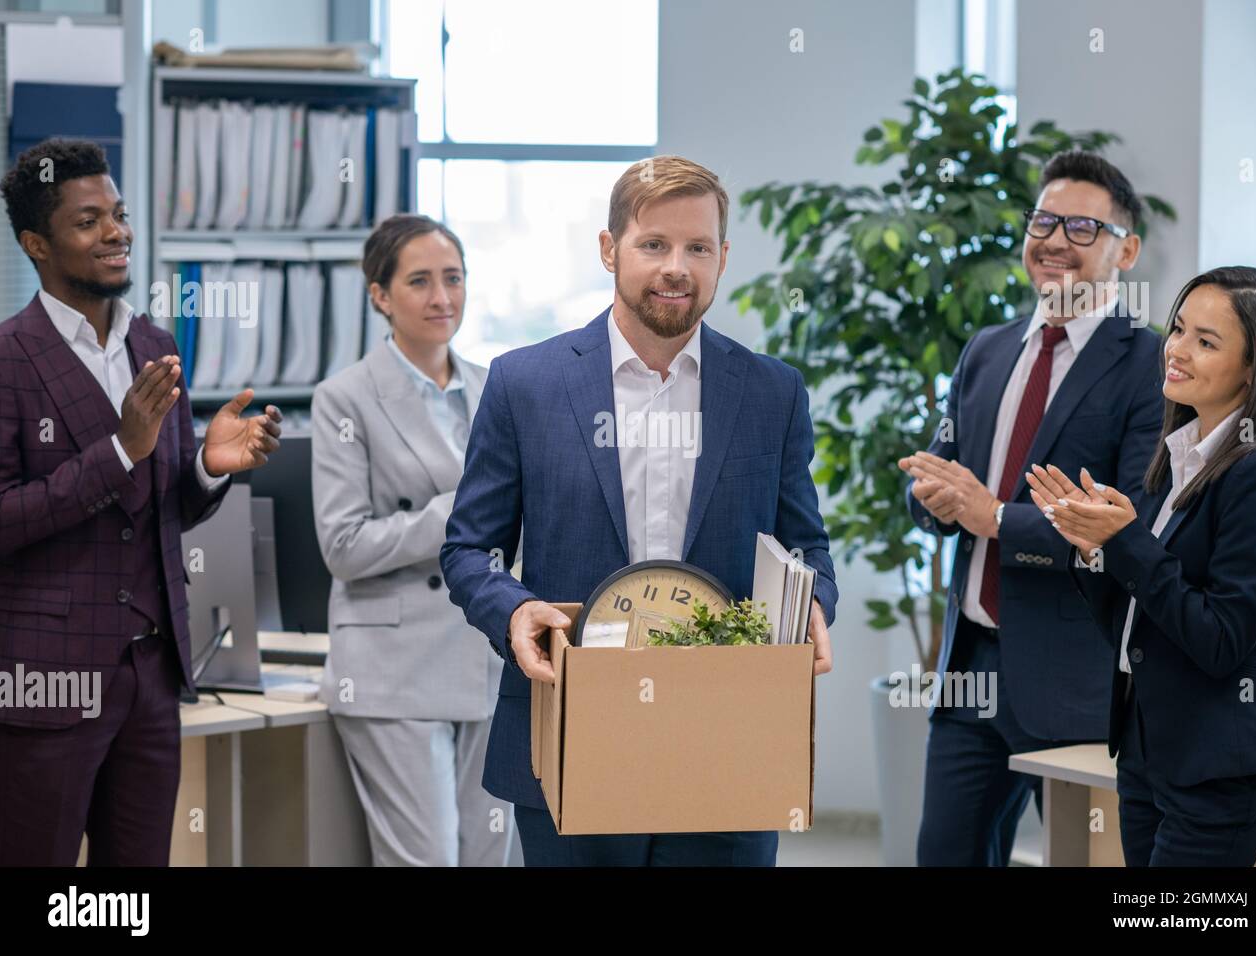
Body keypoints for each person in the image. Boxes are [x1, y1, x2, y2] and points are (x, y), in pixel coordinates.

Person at [440, 155, 836, 866]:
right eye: (653, 244)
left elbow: (806, 547)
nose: (675, 267)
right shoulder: (525, 383)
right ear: (608, 249)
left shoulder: (771, 391)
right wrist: (511, 608)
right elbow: (468, 550)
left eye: (698, 248)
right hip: (571, 730)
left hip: (730, 741)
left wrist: (811, 605)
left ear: (723, 258)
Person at [0, 138, 281, 865]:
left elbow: (158, 510)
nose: (117, 232)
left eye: (118, 215)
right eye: (89, 221)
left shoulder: (152, 342)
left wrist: (209, 470)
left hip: (150, 676)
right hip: (46, 682)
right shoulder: (6, 359)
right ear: (36, 243)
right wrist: (121, 449)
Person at [897, 151, 1164, 865]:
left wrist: (994, 519)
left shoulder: (1150, 367)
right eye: (1044, 220)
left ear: (1125, 250)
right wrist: (929, 495)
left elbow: (1128, 522)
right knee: (945, 854)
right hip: (972, 667)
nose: (1054, 241)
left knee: (1089, 861)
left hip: (1078, 675)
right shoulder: (986, 350)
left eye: (1082, 227)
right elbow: (940, 470)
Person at [1026, 266, 1256, 866]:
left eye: (1206, 341)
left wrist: (1127, 543)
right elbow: (1135, 626)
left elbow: (1220, 639)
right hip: (1150, 746)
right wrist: (1094, 549)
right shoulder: (1177, 455)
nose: (1175, 350)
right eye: (1178, 329)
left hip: (1219, 761)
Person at [311, 214, 509, 866]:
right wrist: (460, 515)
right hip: (393, 668)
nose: (441, 298)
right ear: (379, 295)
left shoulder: (499, 390)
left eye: (453, 279)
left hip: (492, 656)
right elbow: (342, 545)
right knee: (427, 862)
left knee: (494, 859)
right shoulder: (345, 399)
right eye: (419, 281)